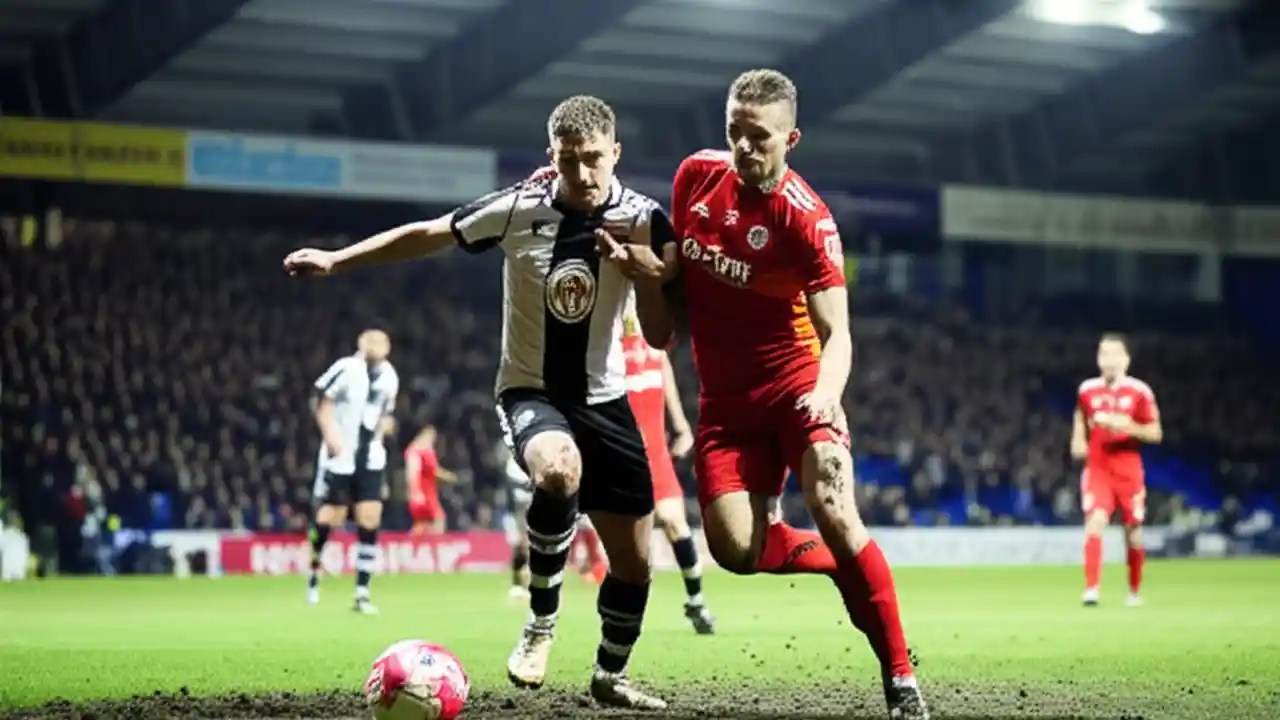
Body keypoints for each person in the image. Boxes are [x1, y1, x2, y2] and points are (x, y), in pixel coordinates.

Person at [283, 95, 669, 710]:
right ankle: (540, 625)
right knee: (558, 470)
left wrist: (646, 272)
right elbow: (428, 234)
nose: (583, 173)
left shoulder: (645, 219)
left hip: (607, 400)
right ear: (552, 156)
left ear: (615, 153)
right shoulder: (519, 207)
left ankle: (609, 675)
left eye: (594, 159)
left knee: (635, 566)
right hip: (531, 391)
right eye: (569, 161)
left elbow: (660, 334)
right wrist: (337, 260)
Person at [599, 68, 928, 719]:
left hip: (797, 387)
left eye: (759, 137)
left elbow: (839, 334)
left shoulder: (808, 221)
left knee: (834, 502)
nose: (744, 148)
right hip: (725, 407)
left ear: (790, 138)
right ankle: (838, 564)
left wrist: (827, 395)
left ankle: (900, 678)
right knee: (734, 553)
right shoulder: (695, 178)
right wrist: (647, 279)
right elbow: (663, 331)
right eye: (734, 133)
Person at [620, 297, 715, 633]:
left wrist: (681, 425)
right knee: (634, 539)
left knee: (675, 521)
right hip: (624, 447)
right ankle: (625, 617)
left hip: (655, 445)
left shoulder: (652, 332)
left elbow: (663, 368)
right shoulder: (607, 334)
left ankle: (697, 602)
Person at [305, 329, 399, 614]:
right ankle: (313, 570)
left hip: (370, 458)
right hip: (341, 456)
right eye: (371, 341)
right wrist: (330, 433)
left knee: (369, 517)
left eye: (381, 342)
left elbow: (386, 413)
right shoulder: (346, 368)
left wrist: (385, 428)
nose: (376, 346)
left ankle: (362, 592)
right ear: (361, 345)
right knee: (329, 517)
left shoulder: (390, 376)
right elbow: (320, 399)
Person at [1071, 333, 1161, 608]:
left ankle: (1134, 591)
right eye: (1103, 354)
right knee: (1094, 523)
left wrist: (1126, 426)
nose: (1108, 360)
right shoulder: (1087, 390)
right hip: (1098, 468)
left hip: (1128, 468)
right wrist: (1078, 440)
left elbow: (1155, 432)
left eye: (1114, 354)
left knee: (1132, 530)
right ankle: (1091, 590)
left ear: (1126, 359)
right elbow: (1080, 416)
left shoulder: (1140, 392)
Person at [405, 425, 457, 536]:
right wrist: (415, 492)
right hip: (422, 494)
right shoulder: (415, 451)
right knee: (438, 521)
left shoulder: (426, 450)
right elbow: (412, 472)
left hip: (430, 493)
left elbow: (432, 472)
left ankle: (415, 547)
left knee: (424, 526)